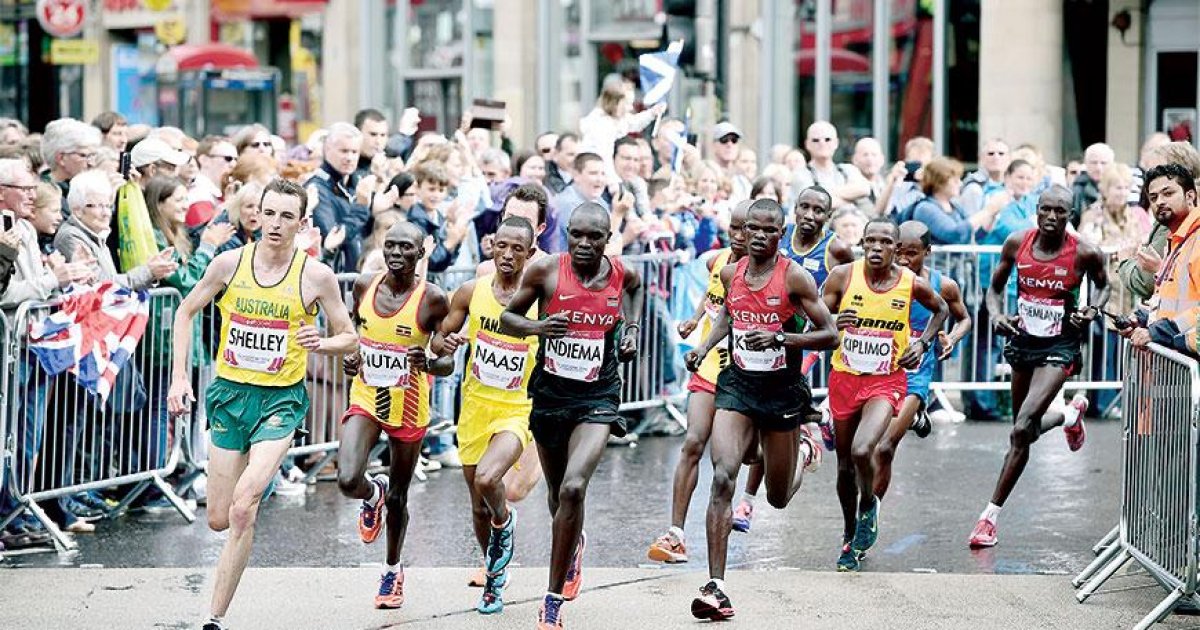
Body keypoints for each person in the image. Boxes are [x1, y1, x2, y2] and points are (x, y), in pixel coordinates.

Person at [166, 179, 358, 630]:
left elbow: (349, 336)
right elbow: (184, 311)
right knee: (216, 518)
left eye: (286, 216)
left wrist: (324, 342)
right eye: (268, 213)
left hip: (281, 399)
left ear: (301, 222)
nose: (275, 223)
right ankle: (259, 481)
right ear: (257, 216)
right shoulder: (229, 263)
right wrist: (178, 377)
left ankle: (213, 617)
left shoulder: (316, 275)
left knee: (241, 508)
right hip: (230, 395)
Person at [682, 198, 836, 619]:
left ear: (781, 234)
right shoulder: (731, 273)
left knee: (779, 496)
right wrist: (704, 347)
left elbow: (830, 334)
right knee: (723, 476)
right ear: (744, 230)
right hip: (737, 385)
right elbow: (729, 318)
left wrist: (783, 340)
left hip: (781, 393)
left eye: (770, 230)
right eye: (754, 228)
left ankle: (804, 451)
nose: (761, 236)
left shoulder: (795, 278)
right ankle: (716, 586)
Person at [499, 202, 643, 630]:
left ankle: (552, 599)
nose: (583, 243)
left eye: (593, 237)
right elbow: (509, 318)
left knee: (574, 488)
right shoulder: (545, 273)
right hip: (550, 395)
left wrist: (630, 330)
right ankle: (572, 543)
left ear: (607, 240)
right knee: (557, 493)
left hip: (598, 396)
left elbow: (636, 291)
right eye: (575, 235)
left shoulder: (622, 273)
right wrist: (538, 328)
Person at [967, 185, 1110, 549]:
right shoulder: (1017, 243)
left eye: (1059, 211)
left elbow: (1104, 287)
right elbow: (994, 289)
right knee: (1025, 430)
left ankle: (988, 518)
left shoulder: (1085, 252)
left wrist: (1091, 310)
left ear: (1070, 214)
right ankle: (1067, 416)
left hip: (1060, 346)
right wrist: (998, 314)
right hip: (1024, 341)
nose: (1051, 217)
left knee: (1019, 429)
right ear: (1036, 211)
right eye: (1045, 209)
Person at [337, 221, 457, 609]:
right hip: (368, 396)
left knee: (401, 500)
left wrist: (430, 361)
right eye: (390, 246)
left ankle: (392, 571)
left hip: (409, 405)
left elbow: (446, 363)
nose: (396, 254)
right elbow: (356, 332)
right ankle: (373, 492)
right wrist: (353, 358)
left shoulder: (433, 299)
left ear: (421, 254)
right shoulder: (363, 286)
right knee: (347, 478)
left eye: (406, 247)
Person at [822, 218, 948, 572]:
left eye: (885, 243)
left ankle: (868, 505)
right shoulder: (843, 276)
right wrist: (832, 322)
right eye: (870, 242)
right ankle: (850, 537)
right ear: (862, 243)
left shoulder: (910, 283)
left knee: (866, 449)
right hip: (845, 379)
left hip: (886, 381)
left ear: (896, 249)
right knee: (845, 465)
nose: (876, 248)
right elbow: (813, 313)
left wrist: (922, 344)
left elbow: (942, 310)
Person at [726, 185, 853, 532]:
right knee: (762, 428)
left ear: (828, 216)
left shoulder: (835, 248)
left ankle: (801, 443)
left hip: (802, 339)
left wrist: (839, 313)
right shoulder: (776, 236)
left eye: (818, 210)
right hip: (765, 335)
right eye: (804, 207)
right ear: (794, 211)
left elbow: (853, 285)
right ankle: (750, 499)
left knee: (777, 418)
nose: (810, 215)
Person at [440, 217, 540, 614]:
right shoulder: (471, 292)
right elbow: (441, 341)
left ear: (530, 254)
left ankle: (506, 524)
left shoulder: (538, 297)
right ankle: (494, 576)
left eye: (518, 248)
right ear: (490, 246)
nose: (509, 255)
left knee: (488, 478)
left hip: (517, 409)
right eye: (502, 246)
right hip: (474, 408)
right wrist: (444, 343)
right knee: (478, 504)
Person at [646, 200, 750, 564]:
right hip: (711, 367)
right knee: (693, 442)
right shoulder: (716, 262)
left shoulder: (771, 274)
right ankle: (676, 534)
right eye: (733, 229)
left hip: (748, 375)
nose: (738, 237)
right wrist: (693, 320)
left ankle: (747, 501)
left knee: (733, 460)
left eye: (746, 229)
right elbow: (714, 297)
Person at [872, 221, 972, 501]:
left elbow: (964, 318)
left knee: (884, 446)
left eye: (912, 253)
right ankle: (916, 417)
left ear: (927, 251)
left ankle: (870, 512)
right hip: (878, 372)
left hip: (915, 376)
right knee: (863, 447)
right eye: (899, 251)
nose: (903, 259)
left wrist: (952, 338)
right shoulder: (877, 281)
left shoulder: (943, 285)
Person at [1122, 164, 1200, 356]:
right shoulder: (1177, 240)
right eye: (1154, 197)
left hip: (1188, 364)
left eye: (1168, 193)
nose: (1160, 202)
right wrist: (1143, 318)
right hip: (1172, 364)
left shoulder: (1197, 239)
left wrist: (1157, 332)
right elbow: (1175, 302)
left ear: (1190, 196)